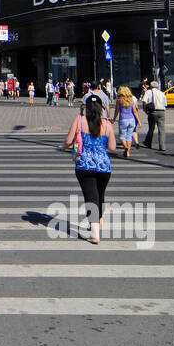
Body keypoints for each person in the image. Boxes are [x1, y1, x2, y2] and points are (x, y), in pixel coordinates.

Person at [63, 97, 118, 244]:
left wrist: (64, 148)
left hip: (84, 165)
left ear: (86, 108)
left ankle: (95, 233)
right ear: (101, 108)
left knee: (91, 197)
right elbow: (113, 147)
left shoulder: (79, 120)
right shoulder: (107, 124)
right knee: (100, 195)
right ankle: (98, 221)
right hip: (104, 166)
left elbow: (68, 141)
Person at [113, 85, 140, 158]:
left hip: (123, 119)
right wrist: (139, 121)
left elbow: (116, 111)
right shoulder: (131, 99)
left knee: (122, 136)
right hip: (132, 120)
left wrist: (113, 119)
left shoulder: (119, 100)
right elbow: (135, 111)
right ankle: (128, 152)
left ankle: (125, 147)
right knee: (129, 136)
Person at [141, 80, 167, 152]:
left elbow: (144, 101)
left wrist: (145, 110)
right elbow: (165, 104)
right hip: (162, 112)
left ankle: (148, 143)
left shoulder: (149, 92)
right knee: (162, 129)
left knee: (151, 128)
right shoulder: (162, 93)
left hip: (153, 111)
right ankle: (162, 146)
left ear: (151, 86)